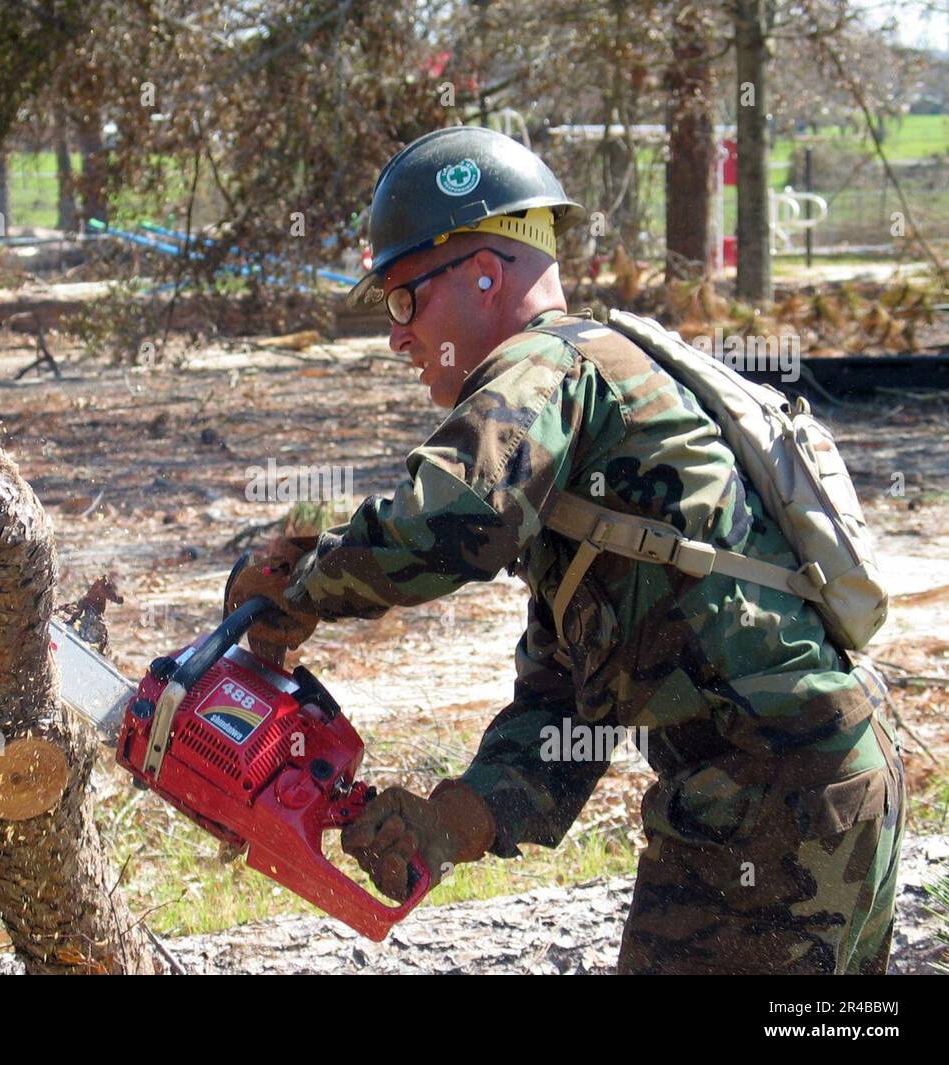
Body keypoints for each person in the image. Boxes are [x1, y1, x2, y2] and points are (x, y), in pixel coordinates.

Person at [224, 125, 906, 975]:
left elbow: (450, 521)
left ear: (483, 270)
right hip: (825, 779)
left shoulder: (548, 368)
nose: (398, 335)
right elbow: (567, 709)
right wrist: (450, 820)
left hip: (769, 805)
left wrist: (304, 579)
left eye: (404, 298)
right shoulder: (589, 436)